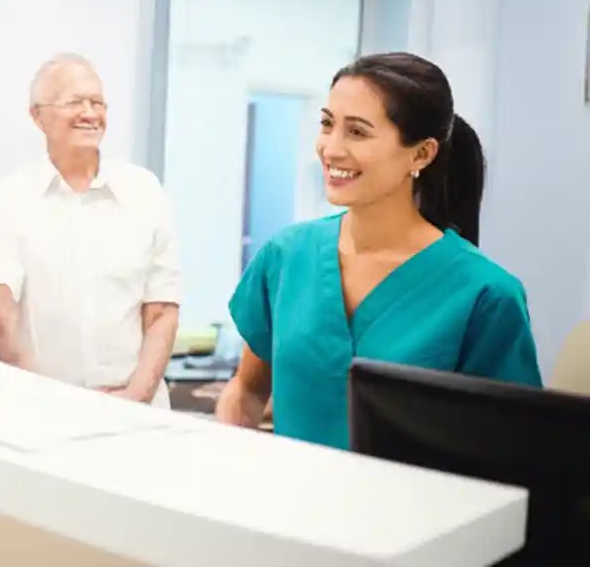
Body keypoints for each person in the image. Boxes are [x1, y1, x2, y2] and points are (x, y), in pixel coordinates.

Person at [215, 52, 542, 450]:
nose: (330, 149)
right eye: (327, 124)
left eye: (357, 132)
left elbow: (511, 450)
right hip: (288, 505)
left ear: (421, 154)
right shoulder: (287, 256)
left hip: (418, 511)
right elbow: (247, 392)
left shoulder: (485, 295)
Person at [0, 54, 182, 408]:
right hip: (44, 408)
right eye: (74, 102)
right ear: (37, 116)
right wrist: (46, 399)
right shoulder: (8, 198)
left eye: (97, 102)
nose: (90, 113)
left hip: (140, 408)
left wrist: (135, 398)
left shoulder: (144, 190)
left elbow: (161, 309)